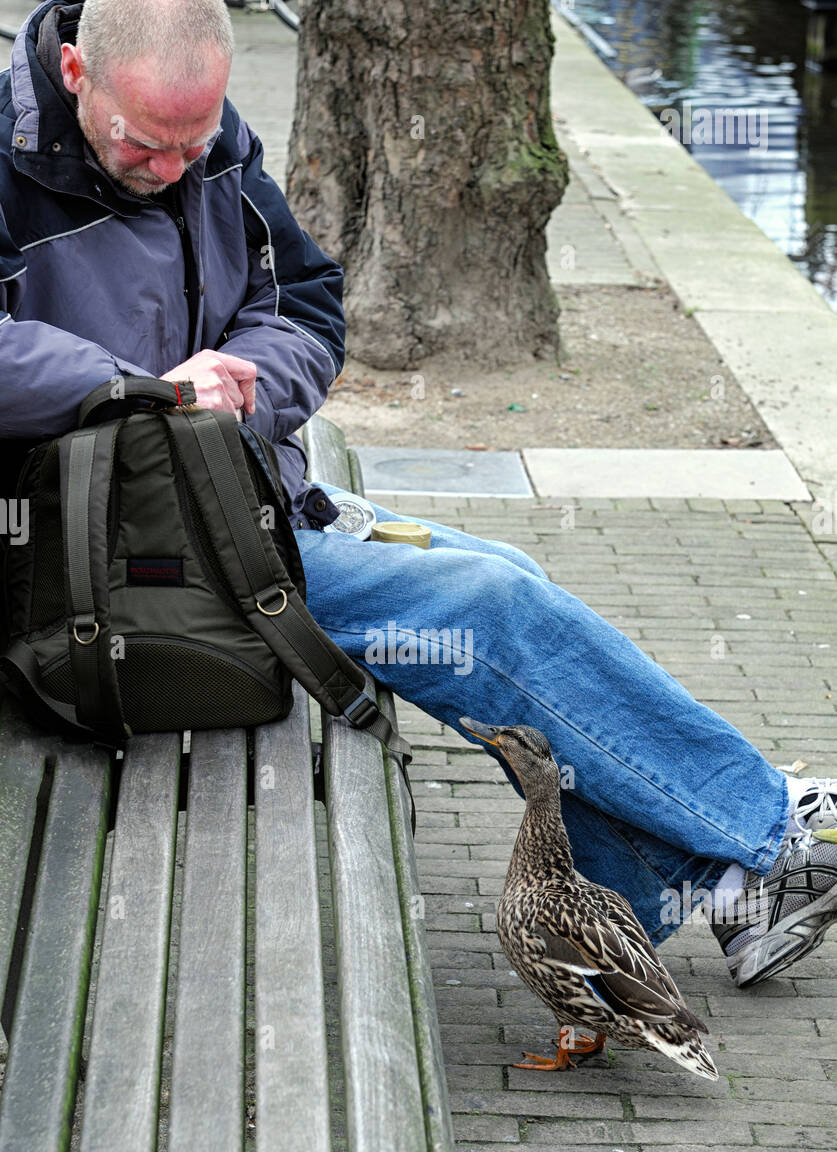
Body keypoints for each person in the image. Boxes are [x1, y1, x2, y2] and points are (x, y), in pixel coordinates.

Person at [2, 0, 836, 989]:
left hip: (238, 503)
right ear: (72, 71)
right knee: (485, 613)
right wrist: (144, 392)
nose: (176, 167)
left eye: (195, 141)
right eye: (147, 144)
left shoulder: (212, 147)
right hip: (109, 563)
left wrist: (243, 390)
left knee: (502, 571)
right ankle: (769, 835)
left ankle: (679, 891)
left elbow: (305, 306)